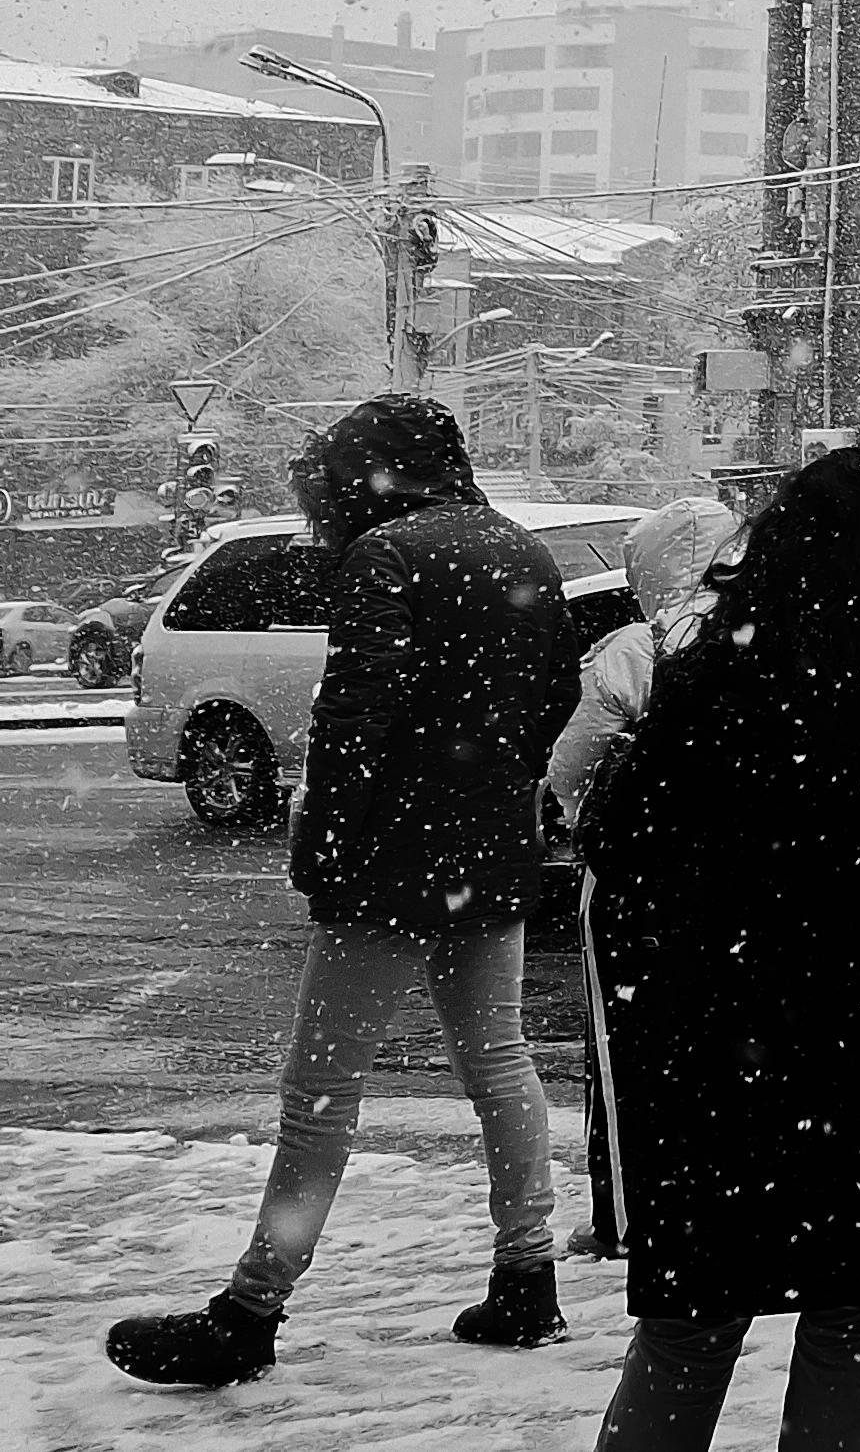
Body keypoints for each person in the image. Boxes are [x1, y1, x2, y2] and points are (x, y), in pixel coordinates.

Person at [103, 395, 586, 1386]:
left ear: (364, 470)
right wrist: (499, 801)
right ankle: (526, 1278)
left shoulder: (389, 555)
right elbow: (552, 702)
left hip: (389, 862)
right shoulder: (523, 551)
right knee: (498, 1062)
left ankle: (250, 1309)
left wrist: (324, 852)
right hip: (491, 851)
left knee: (320, 1092)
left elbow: (356, 724)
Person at [580, 447, 860, 1452]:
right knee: (856, 1312)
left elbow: (621, 839)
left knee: (692, 1322)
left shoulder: (713, 667)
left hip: (721, 1037)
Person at [544, 496, 742, 829]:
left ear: (649, 572)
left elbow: (572, 770)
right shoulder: (773, 626)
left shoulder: (636, 649)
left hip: (669, 839)